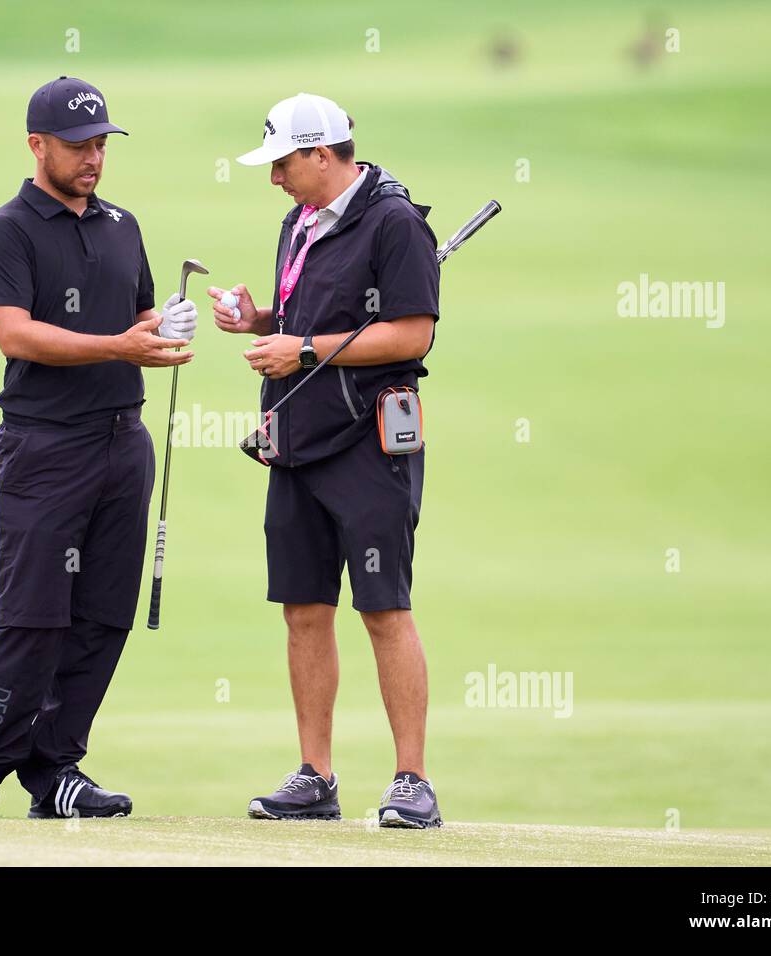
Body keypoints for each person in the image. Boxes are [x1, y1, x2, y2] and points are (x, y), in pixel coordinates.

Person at [0, 76, 198, 818]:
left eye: (101, 145)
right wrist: (120, 345)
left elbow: (141, 310)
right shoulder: (6, 232)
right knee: (31, 613)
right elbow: (15, 333)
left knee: (103, 615)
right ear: (37, 145)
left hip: (124, 442)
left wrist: (165, 327)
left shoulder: (122, 224)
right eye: (79, 146)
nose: (93, 159)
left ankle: (54, 770)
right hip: (45, 447)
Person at [208, 92, 443, 828]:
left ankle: (412, 782)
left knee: (384, 609)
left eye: (282, 163)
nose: (274, 177)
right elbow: (315, 317)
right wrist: (261, 322)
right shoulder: (300, 220)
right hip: (297, 438)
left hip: (368, 443)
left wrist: (301, 349)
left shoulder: (394, 222)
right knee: (304, 609)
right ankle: (316, 776)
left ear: (319, 153)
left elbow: (412, 334)